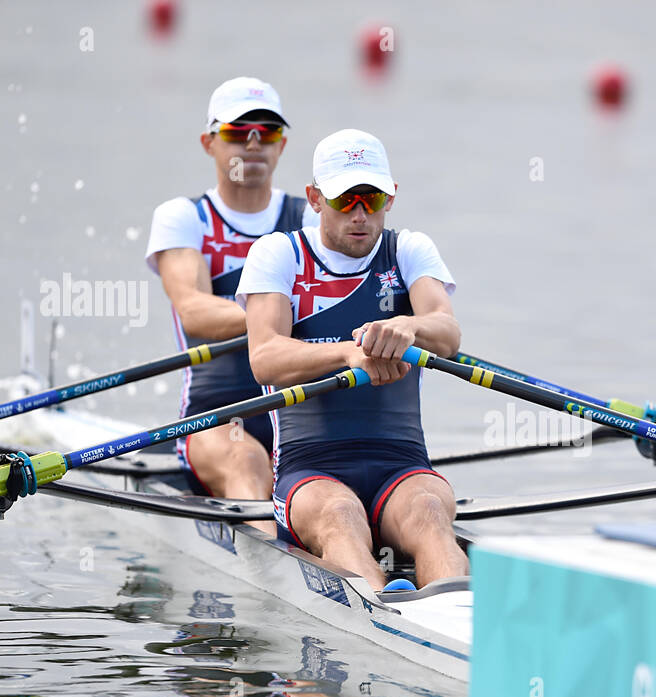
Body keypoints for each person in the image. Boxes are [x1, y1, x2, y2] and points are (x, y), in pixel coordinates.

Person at [237, 129, 469, 591]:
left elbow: (448, 333)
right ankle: (381, 618)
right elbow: (264, 358)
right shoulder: (279, 254)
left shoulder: (408, 250)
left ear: (391, 196)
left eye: (373, 198)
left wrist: (409, 326)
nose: (361, 214)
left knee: (429, 510)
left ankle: (452, 625)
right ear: (316, 198)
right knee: (340, 515)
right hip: (309, 469)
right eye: (346, 200)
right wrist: (349, 353)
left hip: (402, 464)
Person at [145, 77, 315, 504]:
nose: (254, 144)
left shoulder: (310, 220)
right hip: (217, 417)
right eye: (239, 132)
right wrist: (277, 316)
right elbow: (194, 310)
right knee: (246, 460)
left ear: (282, 145)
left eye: (268, 132)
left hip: (302, 409)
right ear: (208, 142)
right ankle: (272, 562)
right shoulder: (185, 218)